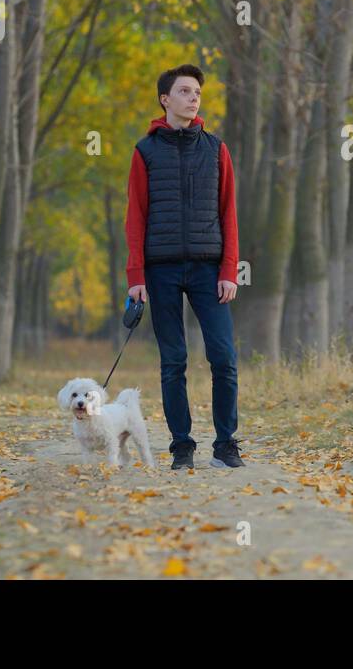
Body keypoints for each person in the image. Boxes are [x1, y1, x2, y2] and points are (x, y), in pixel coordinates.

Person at [125, 64, 243, 469]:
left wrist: (230, 269)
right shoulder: (145, 151)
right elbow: (135, 216)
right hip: (161, 271)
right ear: (165, 99)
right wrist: (136, 277)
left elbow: (229, 212)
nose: (194, 98)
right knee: (173, 360)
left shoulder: (216, 149)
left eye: (197, 92)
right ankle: (182, 447)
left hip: (210, 269)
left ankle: (226, 445)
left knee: (223, 357)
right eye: (185, 91)